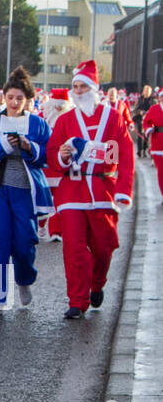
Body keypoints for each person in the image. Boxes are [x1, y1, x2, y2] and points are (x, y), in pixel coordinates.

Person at [48, 61, 134, 320]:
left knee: (103, 247)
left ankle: (97, 284)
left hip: (102, 189)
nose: (78, 90)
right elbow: (52, 154)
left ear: (94, 89)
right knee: (73, 248)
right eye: (75, 86)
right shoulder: (65, 120)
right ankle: (77, 300)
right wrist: (62, 156)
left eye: (83, 86)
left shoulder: (114, 118)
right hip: (72, 191)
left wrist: (123, 190)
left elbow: (127, 155)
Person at [0, 66, 52, 314]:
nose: (14, 103)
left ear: (28, 100)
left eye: (20, 98)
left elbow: (49, 156)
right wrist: (1, 145)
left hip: (25, 191)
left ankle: (24, 279)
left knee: (25, 243)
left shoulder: (37, 124)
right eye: (10, 97)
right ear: (3, 97)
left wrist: (29, 147)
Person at [39, 89, 73, 241]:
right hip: (44, 167)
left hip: (60, 167)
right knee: (43, 198)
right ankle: (40, 226)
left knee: (59, 200)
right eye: (56, 105)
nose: (58, 109)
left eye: (62, 106)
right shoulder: (41, 119)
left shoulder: (69, 121)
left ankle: (56, 231)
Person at [142, 90, 163, 198]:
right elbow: (146, 122)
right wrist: (149, 129)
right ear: (159, 98)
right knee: (161, 171)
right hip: (158, 143)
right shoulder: (154, 109)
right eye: (162, 96)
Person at [132, 84, 155, 157]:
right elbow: (135, 110)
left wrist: (149, 112)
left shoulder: (153, 100)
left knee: (147, 135)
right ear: (143, 91)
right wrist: (140, 112)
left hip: (149, 119)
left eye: (148, 92)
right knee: (139, 135)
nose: (147, 93)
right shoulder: (139, 99)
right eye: (146, 91)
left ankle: (144, 150)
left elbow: (155, 109)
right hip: (140, 118)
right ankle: (139, 151)